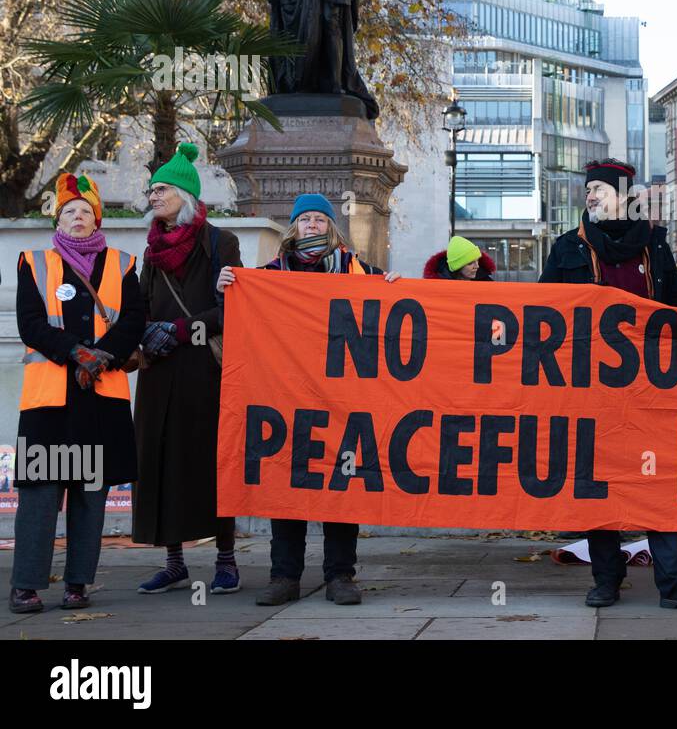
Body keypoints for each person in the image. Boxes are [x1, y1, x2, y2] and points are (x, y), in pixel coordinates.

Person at [540, 158, 677, 613]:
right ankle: (606, 580)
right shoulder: (568, 249)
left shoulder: (655, 246)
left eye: (599, 189)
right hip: (591, 391)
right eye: (588, 191)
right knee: (598, 483)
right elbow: (542, 316)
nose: (591, 196)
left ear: (624, 195)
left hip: (651, 389)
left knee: (661, 484)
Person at [217, 193, 399, 606]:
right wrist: (228, 286)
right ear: (294, 228)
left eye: (320, 219)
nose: (312, 226)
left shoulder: (359, 270)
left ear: (332, 228)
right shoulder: (269, 276)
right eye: (305, 220)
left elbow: (389, 311)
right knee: (287, 483)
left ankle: (340, 576)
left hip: (343, 401)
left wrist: (389, 284)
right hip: (286, 399)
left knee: (341, 487)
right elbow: (234, 314)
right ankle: (285, 577)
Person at [9, 174, 145, 613]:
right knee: (40, 496)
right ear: (58, 220)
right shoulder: (33, 261)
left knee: (90, 494)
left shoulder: (124, 263)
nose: (77, 218)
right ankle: (26, 586)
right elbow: (30, 324)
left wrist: (101, 357)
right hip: (49, 401)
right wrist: (75, 353)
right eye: (69, 212)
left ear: (97, 219)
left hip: (101, 400)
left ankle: (78, 584)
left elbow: (132, 321)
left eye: (85, 211)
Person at [132, 144, 245, 595]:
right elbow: (139, 305)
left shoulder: (221, 242)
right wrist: (143, 334)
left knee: (210, 462)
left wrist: (180, 330)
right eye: (151, 190)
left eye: (161, 189)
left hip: (205, 370)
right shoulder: (152, 250)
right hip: (159, 372)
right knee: (159, 461)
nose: (153, 196)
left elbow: (234, 306)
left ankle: (226, 559)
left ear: (184, 194)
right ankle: (174, 562)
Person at [424, 235, 496, 281]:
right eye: (470, 263)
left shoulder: (487, 283)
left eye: (477, 261)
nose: (477, 266)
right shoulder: (437, 287)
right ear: (458, 267)